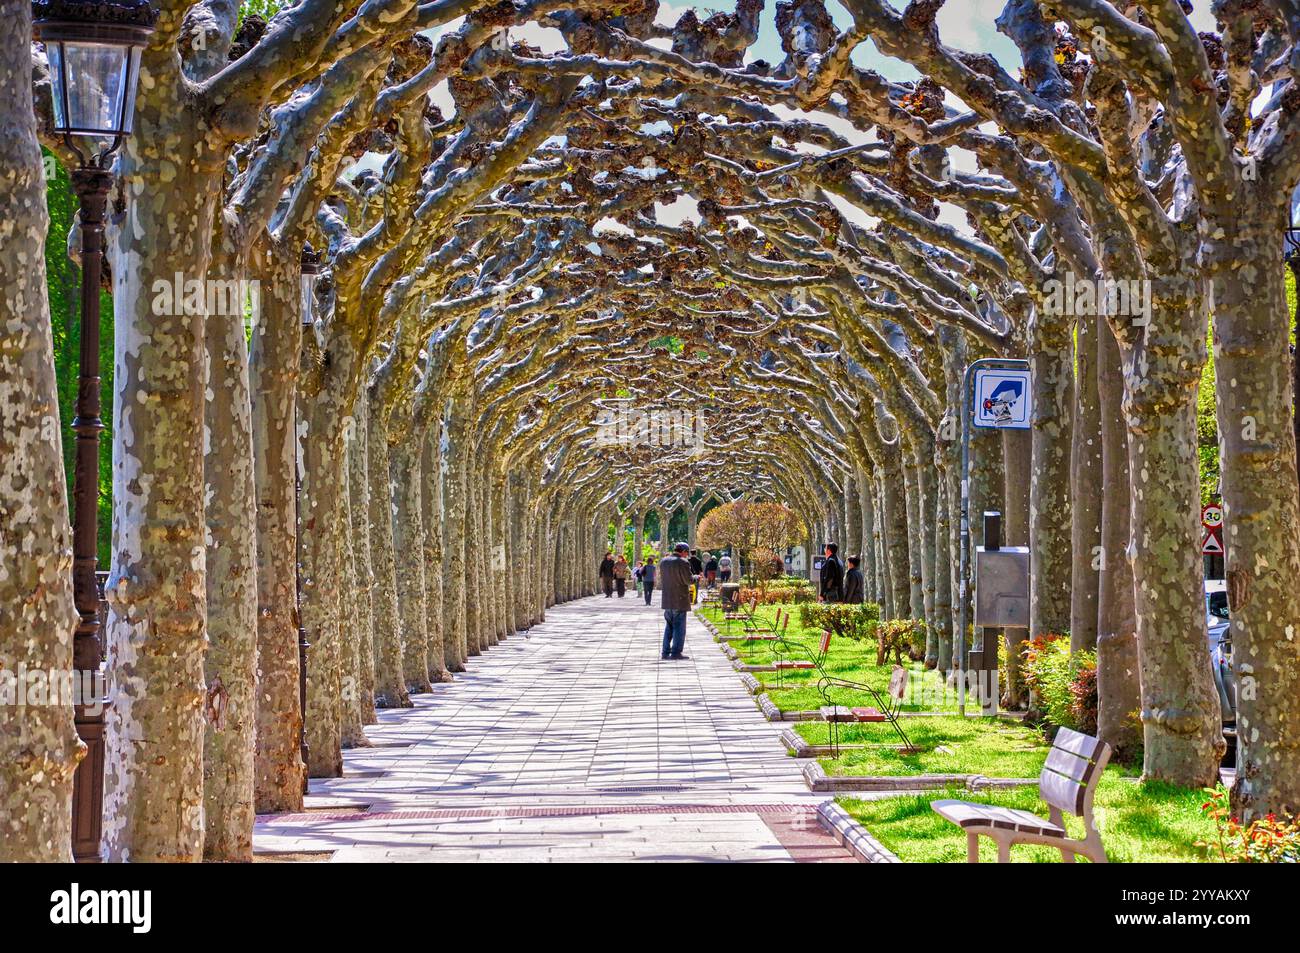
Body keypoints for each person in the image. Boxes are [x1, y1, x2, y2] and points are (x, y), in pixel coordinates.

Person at [659, 542, 694, 659]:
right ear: (683, 551)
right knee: (679, 627)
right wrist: (695, 578)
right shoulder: (683, 562)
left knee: (669, 626)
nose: (687, 556)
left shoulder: (664, 561)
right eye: (686, 553)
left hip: (667, 599)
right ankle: (676, 652)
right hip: (679, 599)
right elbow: (688, 580)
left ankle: (665, 651)